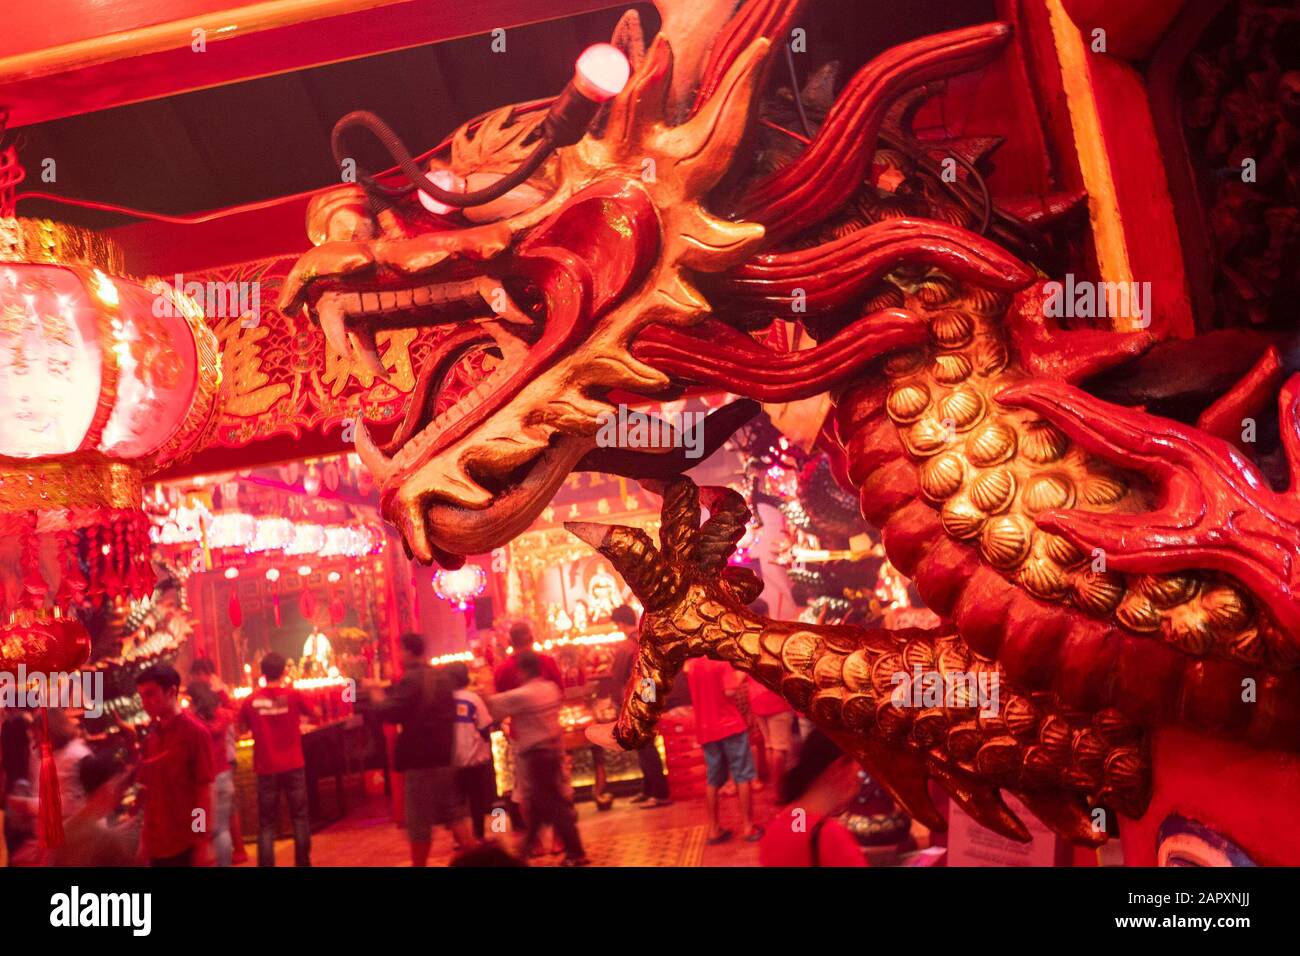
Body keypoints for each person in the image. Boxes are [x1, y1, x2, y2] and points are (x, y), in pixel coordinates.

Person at [373, 634, 474, 865]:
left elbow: (390, 712)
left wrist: (376, 694)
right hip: (444, 756)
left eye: (399, 650)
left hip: (421, 760)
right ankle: (479, 860)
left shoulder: (411, 680)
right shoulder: (442, 677)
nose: (398, 656)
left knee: (419, 822)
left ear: (408, 651)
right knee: (453, 815)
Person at [487, 652, 588, 866]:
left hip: (536, 757)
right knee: (539, 805)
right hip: (551, 752)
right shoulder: (550, 689)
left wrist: (488, 679)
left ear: (521, 671)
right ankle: (524, 853)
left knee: (551, 805)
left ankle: (575, 851)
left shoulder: (522, 695)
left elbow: (491, 705)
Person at [238, 651, 318, 867]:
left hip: (266, 768)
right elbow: (315, 713)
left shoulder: (251, 700)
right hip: (293, 764)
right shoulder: (293, 695)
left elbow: (240, 727)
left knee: (266, 825)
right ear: (284, 671)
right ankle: (303, 863)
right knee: (299, 818)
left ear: (262, 672)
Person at [136, 663, 215, 866]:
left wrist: (202, 841)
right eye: (142, 696)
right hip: (158, 847)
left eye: (151, 694)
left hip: (186, 844)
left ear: (171, 691)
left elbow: (203, 792)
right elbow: (150, 796)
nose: (145, 703)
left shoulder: (194, 732)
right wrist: (145, 840)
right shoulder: (151, 738)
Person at [759, 730, 867, 867]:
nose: (860, 775)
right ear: (839, 768)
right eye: (857, 766)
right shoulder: (830, 836)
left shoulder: (775, 829)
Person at [684, 655, 762, 844]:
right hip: (730, 726)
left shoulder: (691, 666)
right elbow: (729, 691)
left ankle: (713, 829)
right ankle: (748, 827)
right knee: (742, 775)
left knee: (713, 781)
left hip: (706, 729)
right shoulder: (721, 663)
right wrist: (742, 675)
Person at [607, 604, 671, 809]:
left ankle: (660, 793)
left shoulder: (626, 646)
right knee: (643, 745)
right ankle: (649, 789)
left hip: (635, 698)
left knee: (645, 747)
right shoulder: (645, 638)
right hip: (648, 692)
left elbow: (616, 677)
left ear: (619, 623)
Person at [50, 750, 140, 867]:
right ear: (109, 787)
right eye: (120, 782)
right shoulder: (107, 841)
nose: (123, 790)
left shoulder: (66, 828)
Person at [446, 661, 496, 841]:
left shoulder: (443, 701)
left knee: (455, 804)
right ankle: (479, 835)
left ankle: (459, 840)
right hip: (475, 759)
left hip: (451, 762)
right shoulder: (473, 699)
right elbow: (485, 726)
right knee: (477, 801)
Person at [188, 682, 236, 867]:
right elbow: (234, 710)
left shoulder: (193, 723)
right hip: (224, 778)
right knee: (222, 830)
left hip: (201, 787)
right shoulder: (223, 716)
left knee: (198, 831)